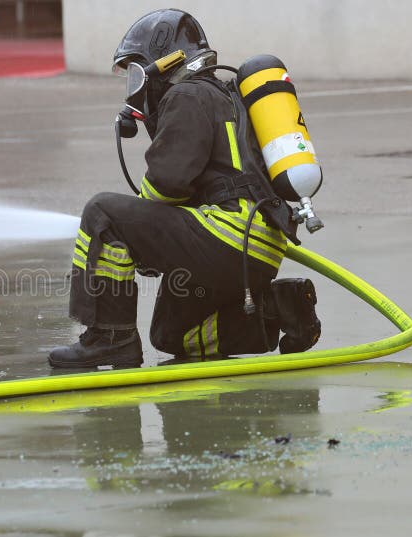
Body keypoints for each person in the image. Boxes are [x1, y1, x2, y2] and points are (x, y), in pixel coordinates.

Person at [48, 9, 321, 369]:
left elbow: (167, 181)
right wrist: (149, 236)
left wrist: (140, 236)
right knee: (172, 336)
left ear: (164, 62)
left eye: (136, 72)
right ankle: (279, 309)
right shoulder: (223, 96)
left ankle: (109, 338)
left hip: (229, 235)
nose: (135, 88)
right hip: (257, 249)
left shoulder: (188, 95)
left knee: (104, 215)